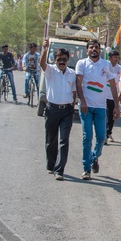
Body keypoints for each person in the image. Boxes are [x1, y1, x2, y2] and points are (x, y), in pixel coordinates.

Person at [75, 40, 121, 180]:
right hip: (86, 107)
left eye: (96, 47)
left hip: (101, 107)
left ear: (99, 50)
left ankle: (94, 157)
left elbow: (113, 86)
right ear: (87, 50)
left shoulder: (106, 65)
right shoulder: (82, 64)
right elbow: (78, 83)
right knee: (87, 137)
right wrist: (82, 101)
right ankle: (86, 169)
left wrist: (117, 105)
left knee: (101, 137)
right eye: (91, 47)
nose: (94, 49)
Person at [40, 38, 77, 180]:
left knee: (64, 140)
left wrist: (72, 109)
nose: (62, 62)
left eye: (65, 59)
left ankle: (59, 170)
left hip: (67, 111)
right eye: (59, 59)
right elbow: (42, 63)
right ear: (55, 60)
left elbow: (74, 93)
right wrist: (44, 49)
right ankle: (51, 165)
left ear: (68, 60)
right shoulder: (50, 71)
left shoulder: (72, 74)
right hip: (52, 110)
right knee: (51, 140)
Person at [104, 50, 121, 144]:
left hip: (113, 96)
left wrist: (120, 96)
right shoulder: (105, 66)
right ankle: (103, 134)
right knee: (103, 116)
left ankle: (109, 133)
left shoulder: (120, 69)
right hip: (103, 95)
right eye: (115, 57)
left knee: (112, 116)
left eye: (118, 57)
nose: (117, 59)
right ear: (110, 58)